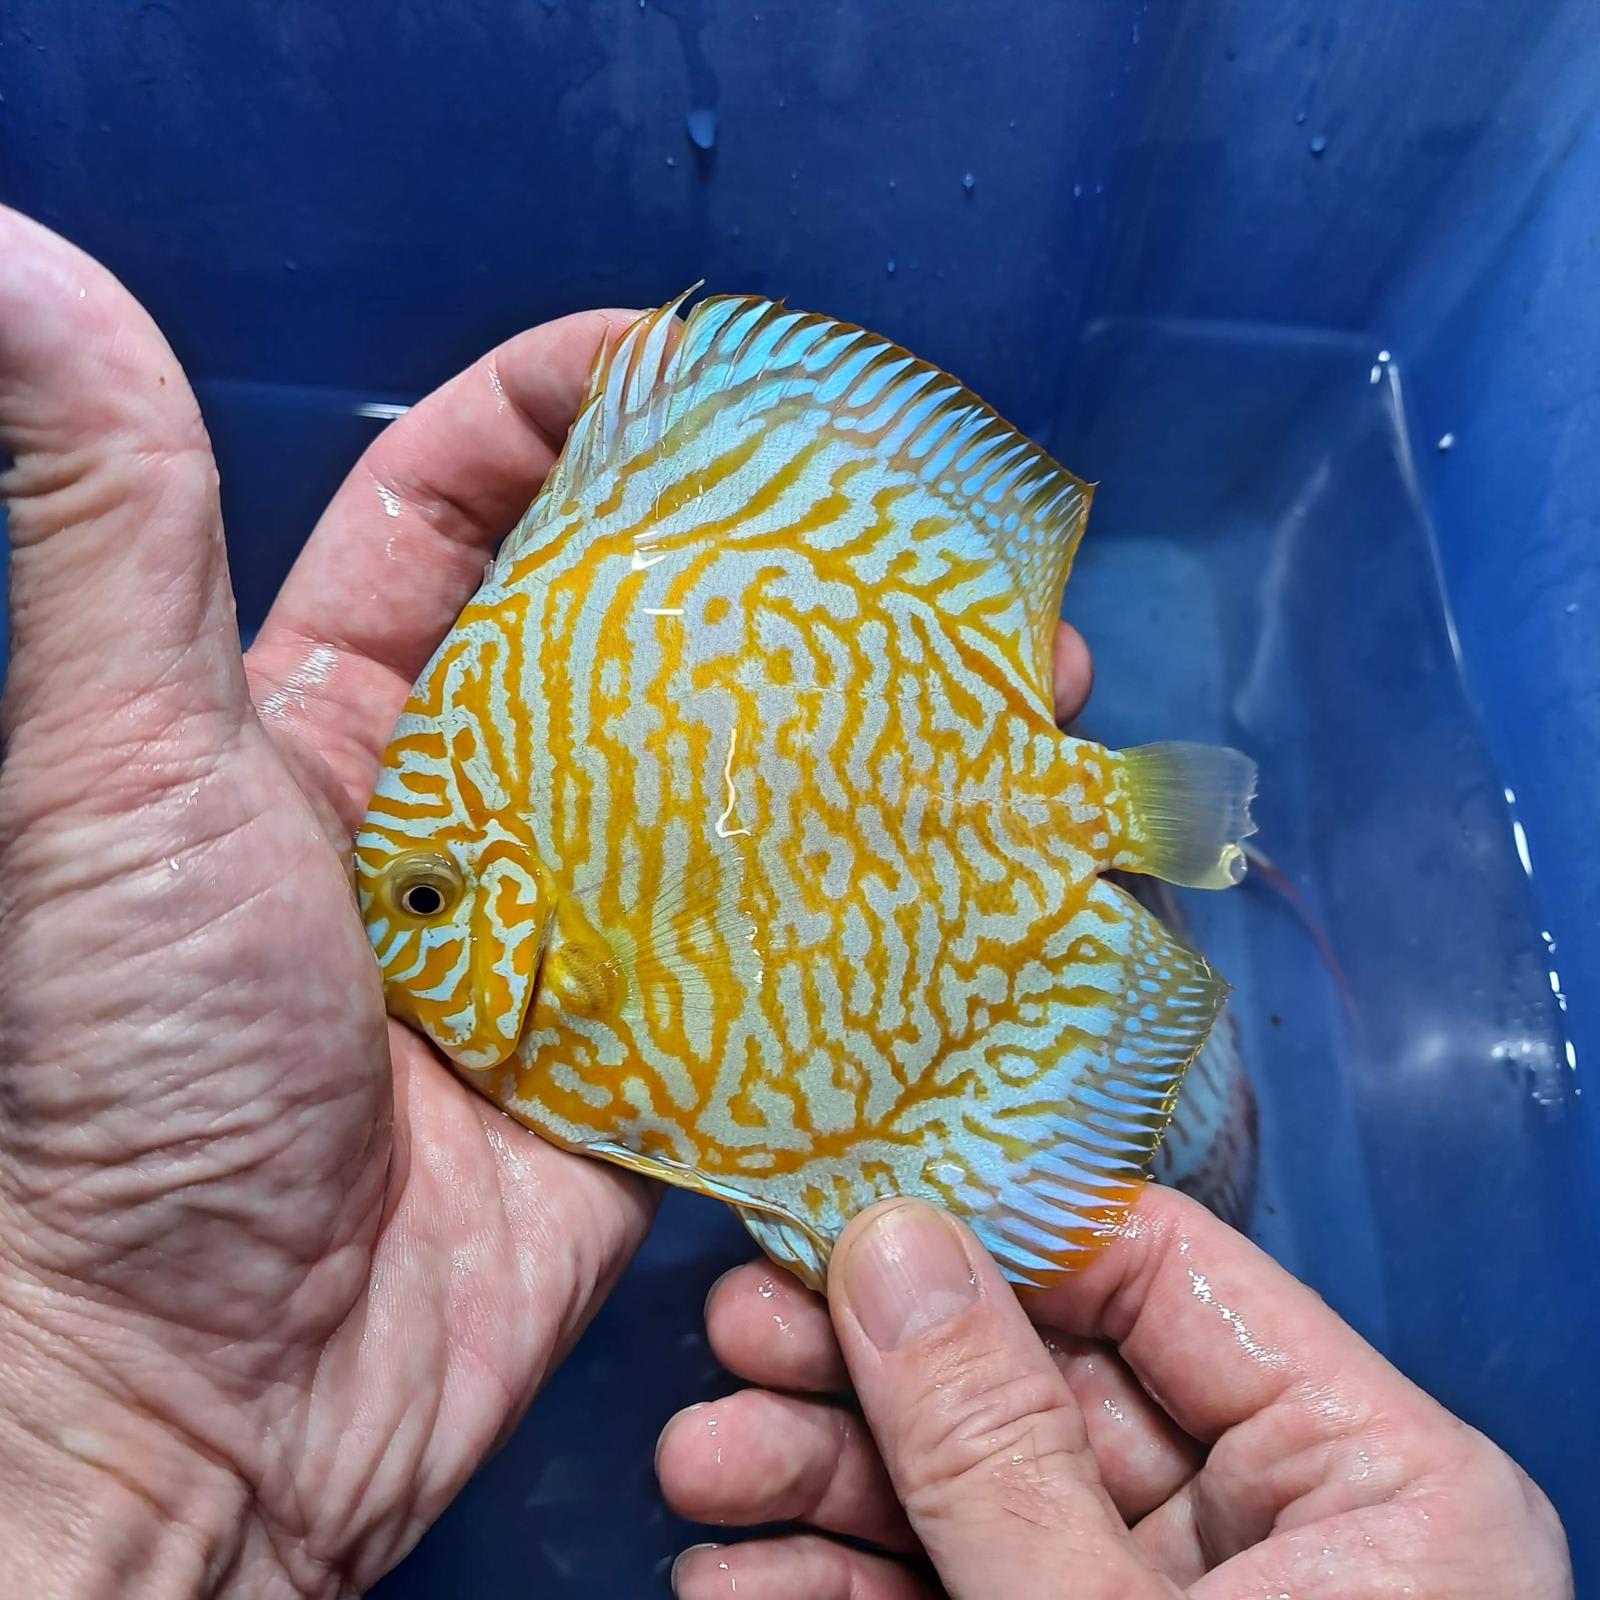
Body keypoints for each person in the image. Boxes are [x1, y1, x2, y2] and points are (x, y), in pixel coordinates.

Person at [0, 203, 1571, 1600]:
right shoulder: (501, 763)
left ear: (498, 896)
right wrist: (141, 1415)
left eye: (419, 897)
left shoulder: (513, 902)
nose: (382, 933)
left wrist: (120, 1458)